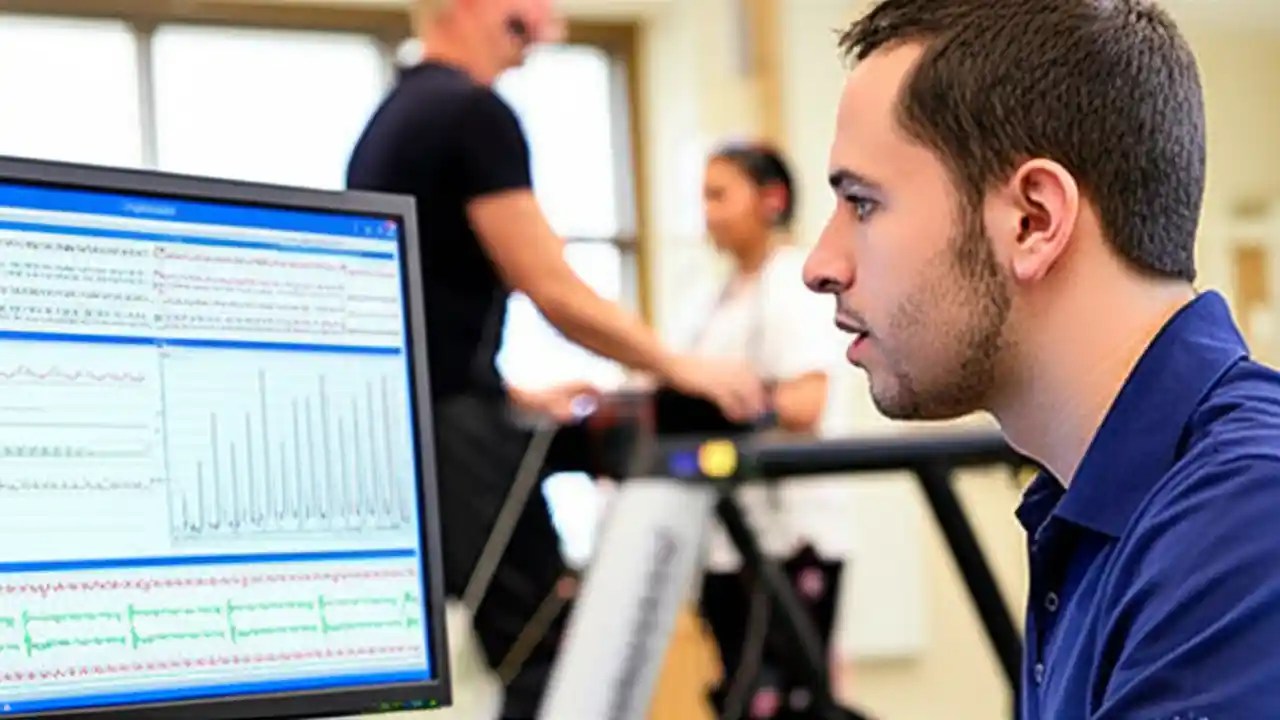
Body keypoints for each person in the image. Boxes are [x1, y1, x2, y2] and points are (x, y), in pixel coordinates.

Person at [802, 1, 1280, 718]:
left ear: (1033, 221)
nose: (820, 265)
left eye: (864, 204)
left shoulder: (1246, 514)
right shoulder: (1086, 505)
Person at [345, 0, 767, 717]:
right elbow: (551, 287)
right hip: (453, 430)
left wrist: (503, 389)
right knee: (545, 650)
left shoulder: (395, 116)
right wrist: (679, 367)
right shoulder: (474, 114)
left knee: (525, 643)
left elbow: (416, 306)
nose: (546, 21)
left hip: (417, 418)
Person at [680, 142, 850, 719]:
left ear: (770, 199)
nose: (707, 211)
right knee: (738, 694)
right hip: (727, 541)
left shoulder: (794, 285)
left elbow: (806, 401)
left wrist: (730, 404)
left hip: (789, 538)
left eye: (719, 194)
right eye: (703, 196)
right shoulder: (712, 299)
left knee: (787, 701)